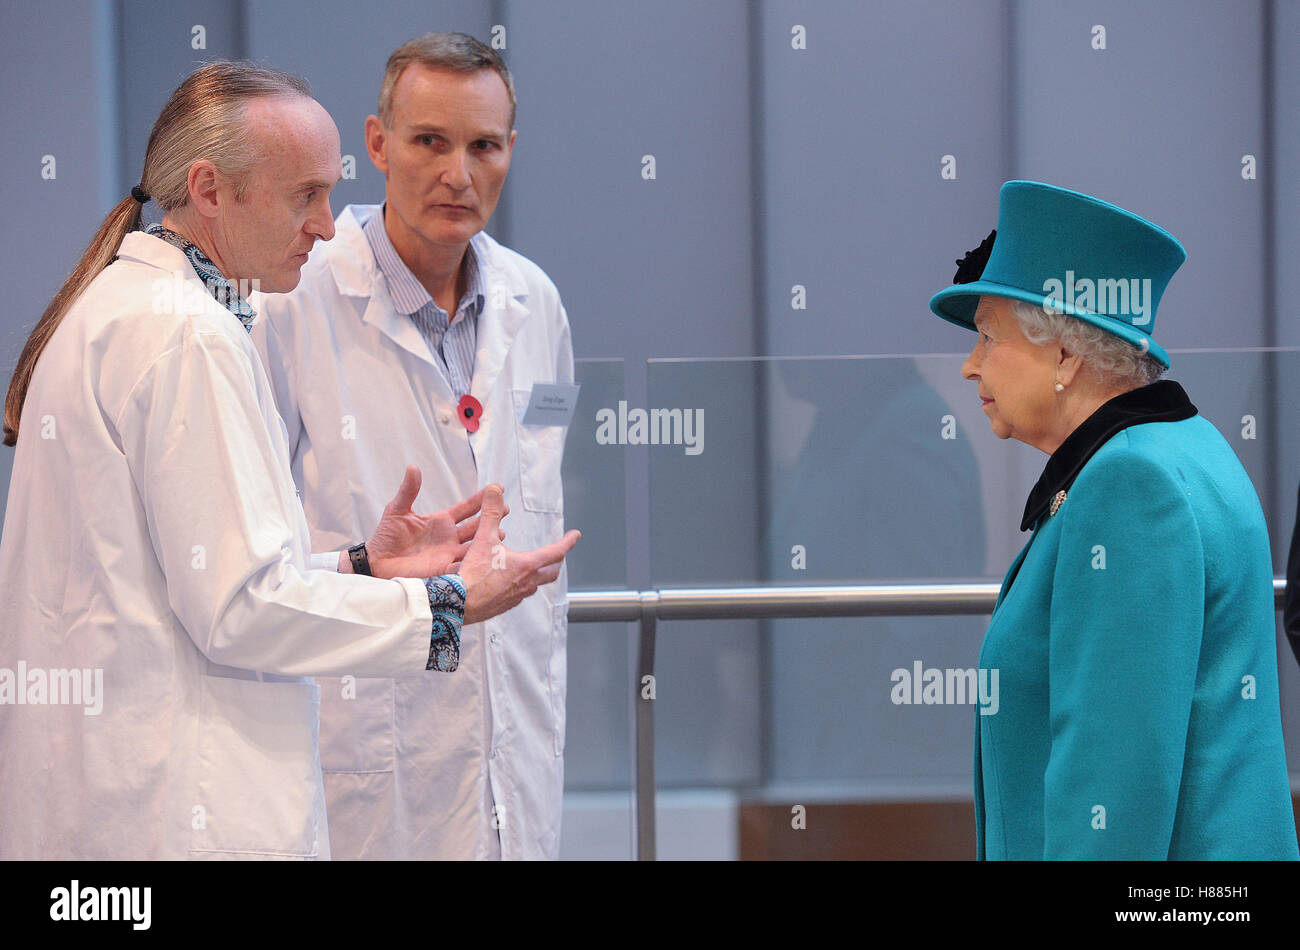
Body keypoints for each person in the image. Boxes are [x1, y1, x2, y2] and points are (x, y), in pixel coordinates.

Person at [0, 61, 577, 860]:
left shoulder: (130, 309)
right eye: (304, 195)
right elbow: (241, 608)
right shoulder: (188, 336)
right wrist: (448, 604)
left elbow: (205, 573)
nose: (328, 224)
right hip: (175, 814)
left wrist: (359, 565)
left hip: (123, 807)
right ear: (210, 190)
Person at [250, 33, 574, 859]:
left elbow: (537, 486)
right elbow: (259, 556)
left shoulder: (535, 304)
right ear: (378, 143)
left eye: (483, 146)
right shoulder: (294, 300)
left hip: (515, 757)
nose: (458, 174)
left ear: (511, 151)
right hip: (366, 754)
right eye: (430, 141)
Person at [928, 180, 1298, 860]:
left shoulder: (1129, 487)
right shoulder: (1188, 448)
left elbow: (1110, 799)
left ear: (1064, 356)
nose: (969, 365)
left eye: (986, 336)